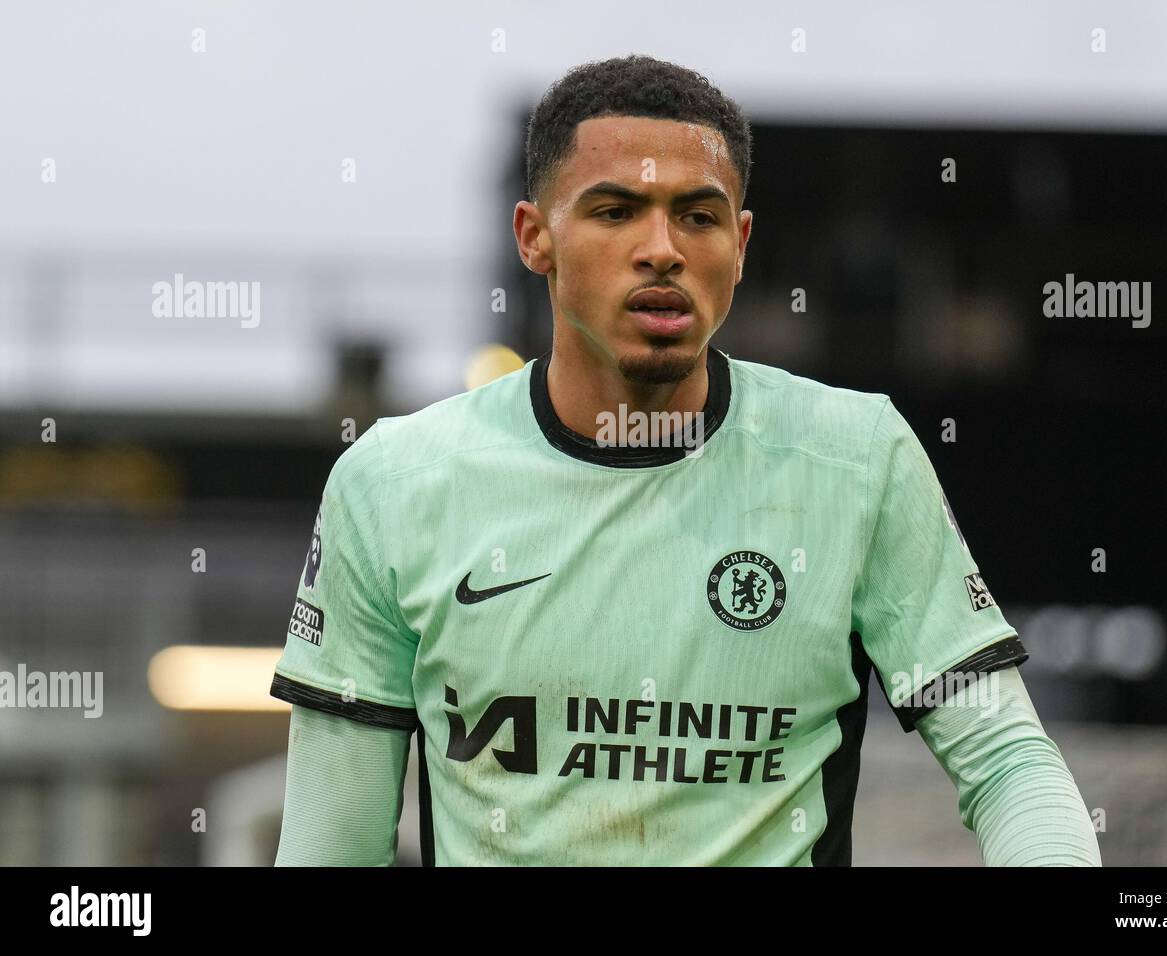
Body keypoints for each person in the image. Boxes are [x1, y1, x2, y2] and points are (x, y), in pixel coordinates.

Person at [270, 54, 1101, 866]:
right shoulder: (393, 482)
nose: (661, 248)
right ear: (535, 238)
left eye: (697, 216)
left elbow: (1007, 762)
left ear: (739, 246)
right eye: (615, 211)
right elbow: (332, 846)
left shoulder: (857, 457)